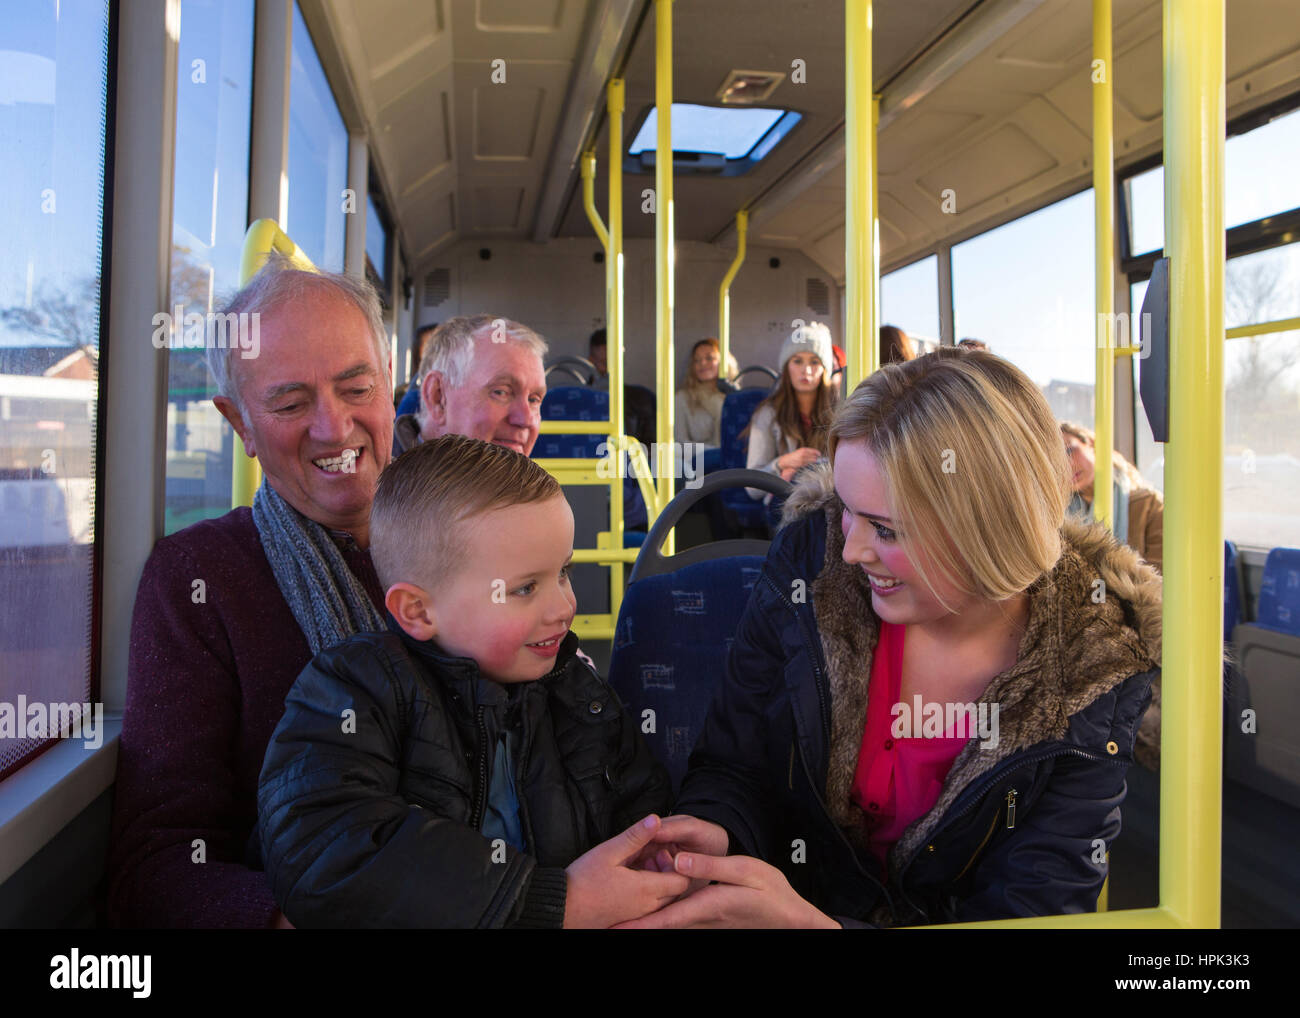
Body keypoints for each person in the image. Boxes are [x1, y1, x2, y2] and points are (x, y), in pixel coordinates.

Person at [622, 348, 1162, 928]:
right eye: (848, 512)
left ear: (989, 534)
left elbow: (1027, 909)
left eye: (886, 529)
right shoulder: (814, 556)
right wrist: (719, 832)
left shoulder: (1093, 670)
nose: (851, 549)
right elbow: (736, 763)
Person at [257, 435, 680, 927]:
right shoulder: (356, 691)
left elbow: (638, 800)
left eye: (562, 572)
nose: (565, 607)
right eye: (524, 588)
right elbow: (324, 853)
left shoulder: (575, 690)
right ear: (417, 611)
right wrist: (553, 902)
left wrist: (656, 855)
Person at [108, 253, 395, 927]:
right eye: (291, 403)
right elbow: (158, 864)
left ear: (391, 383)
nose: (333, 427)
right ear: (239, 424)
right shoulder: (199, 579)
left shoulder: (473, 538)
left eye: (357, 389)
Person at [392, 314, 548, 457]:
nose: (526, 420)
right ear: (438, 397)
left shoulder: (530, 485)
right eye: (501, 392)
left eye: (534, 400)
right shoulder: (379, 485)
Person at [744, 320, 837, 499]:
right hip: (782, 503)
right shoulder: (767, 414)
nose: (806, 370)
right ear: (787, 368)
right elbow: (752, 490)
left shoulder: (840, 411)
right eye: (797, 361)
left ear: (825, 369)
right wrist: (781, 463)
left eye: (815, 362)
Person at [1060, 421, 1164, 572]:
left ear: (1089, 443)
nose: (1066, 466)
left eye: (1069, 451)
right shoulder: (1060, 518)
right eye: (1055, 462)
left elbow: (1160, 577)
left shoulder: (1149, 506)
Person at [674, 337, 730, 447]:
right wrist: (714, 453)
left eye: (709, 358)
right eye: (697, 360)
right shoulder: (682, 398)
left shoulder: (734, 398)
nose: (702, 363)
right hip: (696, 461)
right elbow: (679, 442)